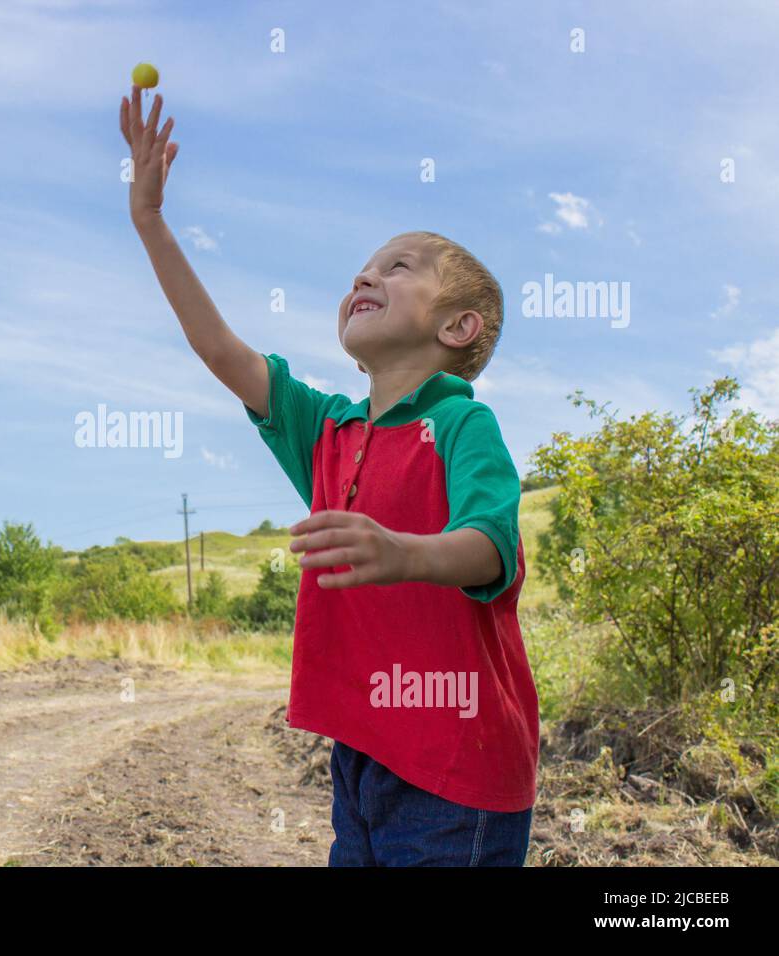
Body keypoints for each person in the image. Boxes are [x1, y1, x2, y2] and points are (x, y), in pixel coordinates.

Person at [120, 85, 538, 866]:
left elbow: (492, 547)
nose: (364, 278)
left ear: (458, 326)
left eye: (397, 267)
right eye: (361, 271)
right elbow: (219, 349)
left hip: (460, 768)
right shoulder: (327, 430)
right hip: (362, 761)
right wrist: (149, 220)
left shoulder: (462, 425)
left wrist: (404, 552)